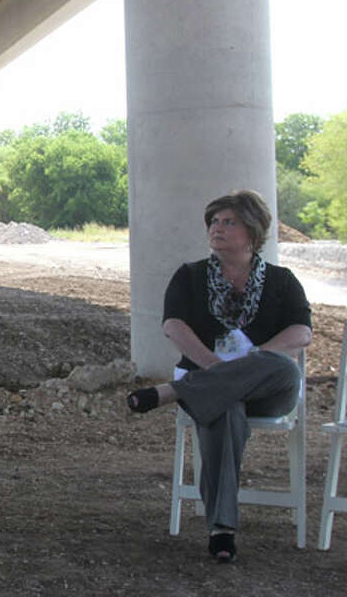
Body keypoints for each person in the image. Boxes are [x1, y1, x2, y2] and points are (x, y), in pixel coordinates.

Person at [126, 190, 311, 562]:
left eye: (229, 222)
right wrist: (213, 366)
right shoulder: (190, 276)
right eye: (214, 222)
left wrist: (254, 360)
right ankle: (222, 530)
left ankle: (176, 391)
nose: (217, 228)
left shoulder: (281, 280)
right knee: (222, 408)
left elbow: (302, 333)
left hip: (269, 387)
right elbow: (173, 325)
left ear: (253, 231)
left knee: (283, 365)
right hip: (210, 382)